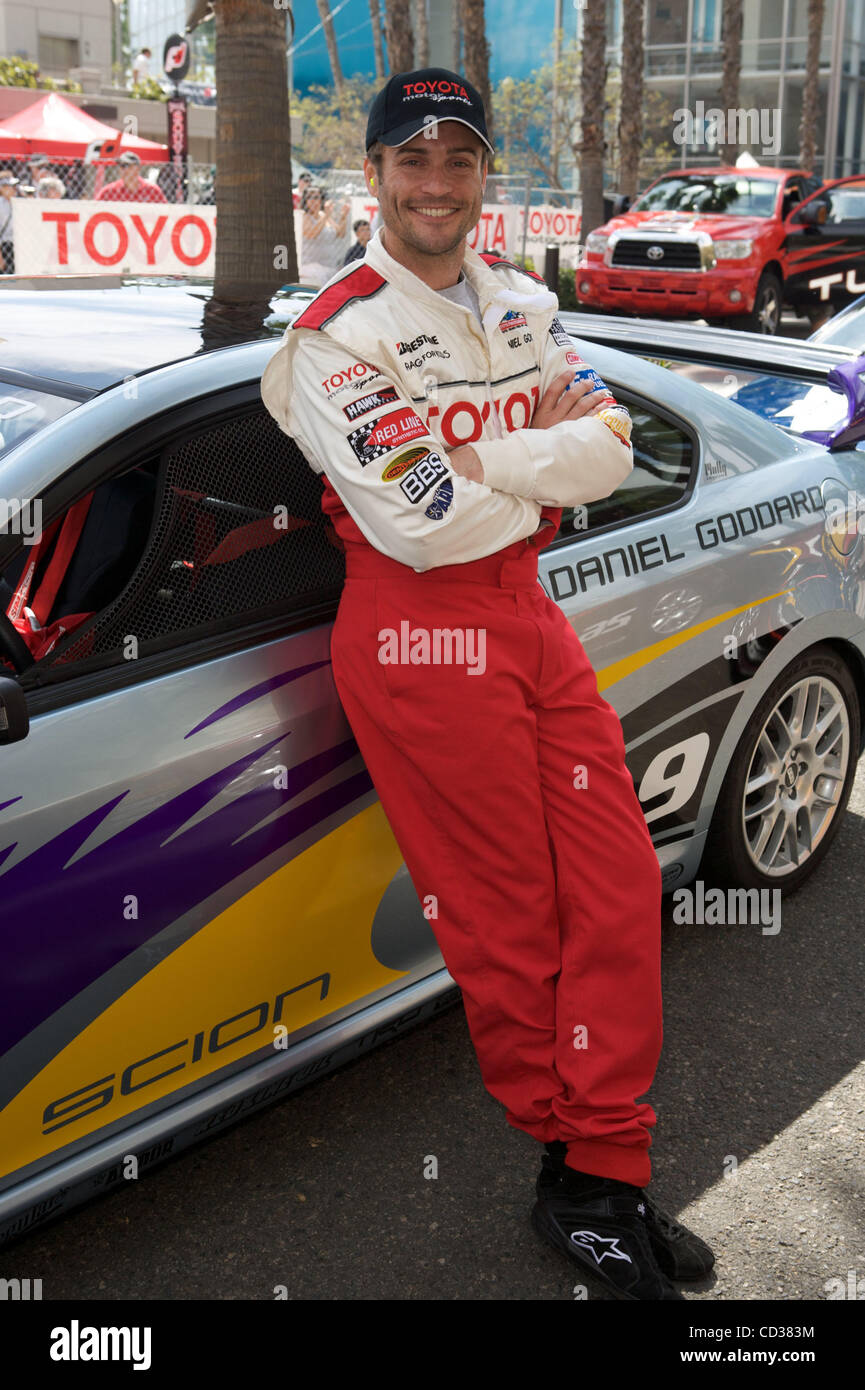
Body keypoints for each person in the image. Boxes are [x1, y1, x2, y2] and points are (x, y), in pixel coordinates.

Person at [261, 67, 715, 1301]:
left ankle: (605, 1163)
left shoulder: (522, 298)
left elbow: (610, 450)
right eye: (412, 159)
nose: (436, 181)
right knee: (512, 918)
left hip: (528, 612)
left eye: (458, 158)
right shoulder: (334, 331)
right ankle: (579, 1176)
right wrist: (529, 463)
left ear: (478, 180)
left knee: (619, 880)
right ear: (374, 176)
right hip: (418, 636)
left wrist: (474, 452)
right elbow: (422, 528)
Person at [299, 185, 350, 287]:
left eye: (316, 197)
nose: (313, 201)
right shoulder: (304, 216)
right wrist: (326, 215)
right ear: (305, 200)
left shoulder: (323, 215)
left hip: (330, 266)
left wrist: (343, 217)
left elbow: (340, 233)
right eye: (309, 197)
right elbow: (311, 233)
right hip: (311, 267)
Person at [95, 151, 167, 203]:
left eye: (126, 165)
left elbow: (166, 211)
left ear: (138, 168)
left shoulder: (152, 191)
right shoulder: (109, 191)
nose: (123, 169)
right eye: (121, 166)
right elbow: (94, 210)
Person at [0, 171, 18, 273]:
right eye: (10, 186)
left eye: (14, 186)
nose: (14, 189)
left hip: (20, 243)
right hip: (5, 245)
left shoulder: (20, 201)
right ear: (2, 188)